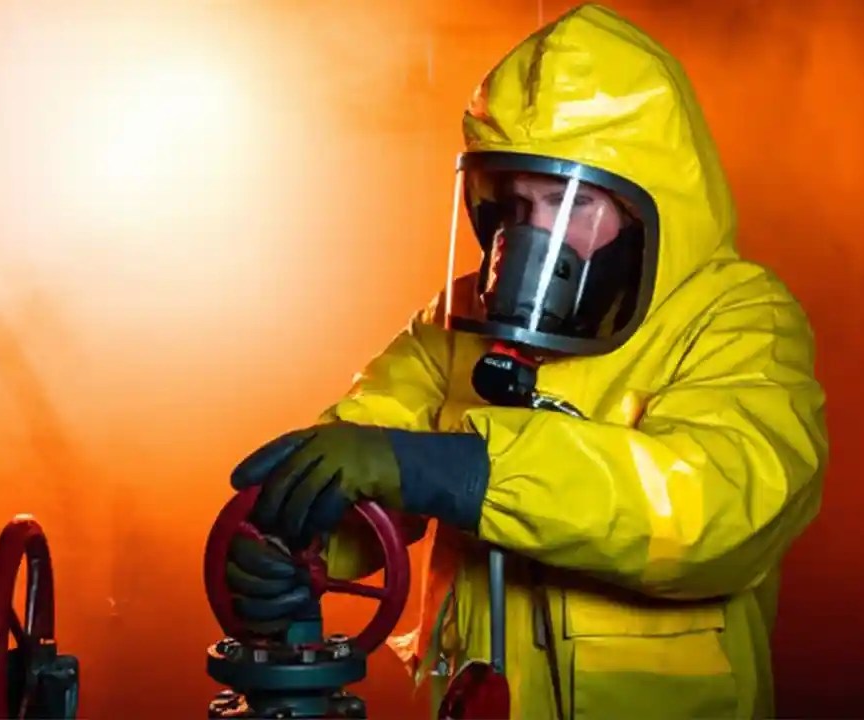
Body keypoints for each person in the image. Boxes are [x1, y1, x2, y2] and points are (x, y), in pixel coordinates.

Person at [222, 3, 828, 718]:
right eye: (514, 201)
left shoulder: (736, 319)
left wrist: (467, 471)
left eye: (566, 204)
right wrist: (293, 546)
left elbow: (722, 509)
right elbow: (362, 448)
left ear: (648, 207)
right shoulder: (456, 324)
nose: (531, 235)